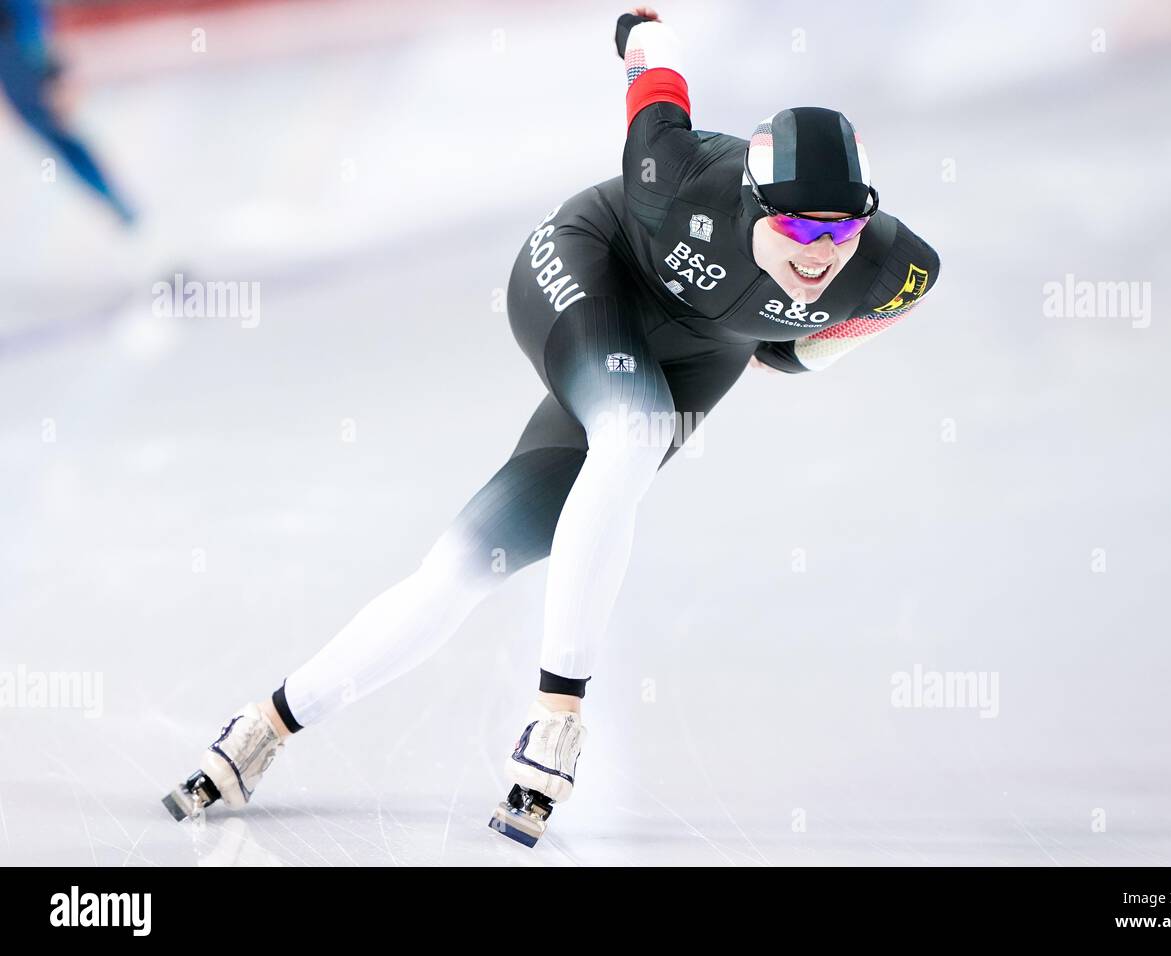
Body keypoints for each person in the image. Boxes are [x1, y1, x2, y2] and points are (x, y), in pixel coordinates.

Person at [163, 7, 941, 846]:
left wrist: (794, 357)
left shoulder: (897, 267)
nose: (820, 251)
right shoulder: (673, 174)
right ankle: (559, 716)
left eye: (840, 228)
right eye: (795, 225)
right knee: (634, 435)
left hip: (697, 359)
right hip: (588, 267)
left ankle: (263, 728)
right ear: (753, 201)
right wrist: (640, 25)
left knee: (462, 566)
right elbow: (657, 72)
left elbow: (856, 325)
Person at [0, 0, 135, 224]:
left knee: (56, 131)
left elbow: (28, 19)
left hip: (21, 51)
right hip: (21, 52)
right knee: (54, 132)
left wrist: (45, 61)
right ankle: (112, 196)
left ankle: (113, 196)